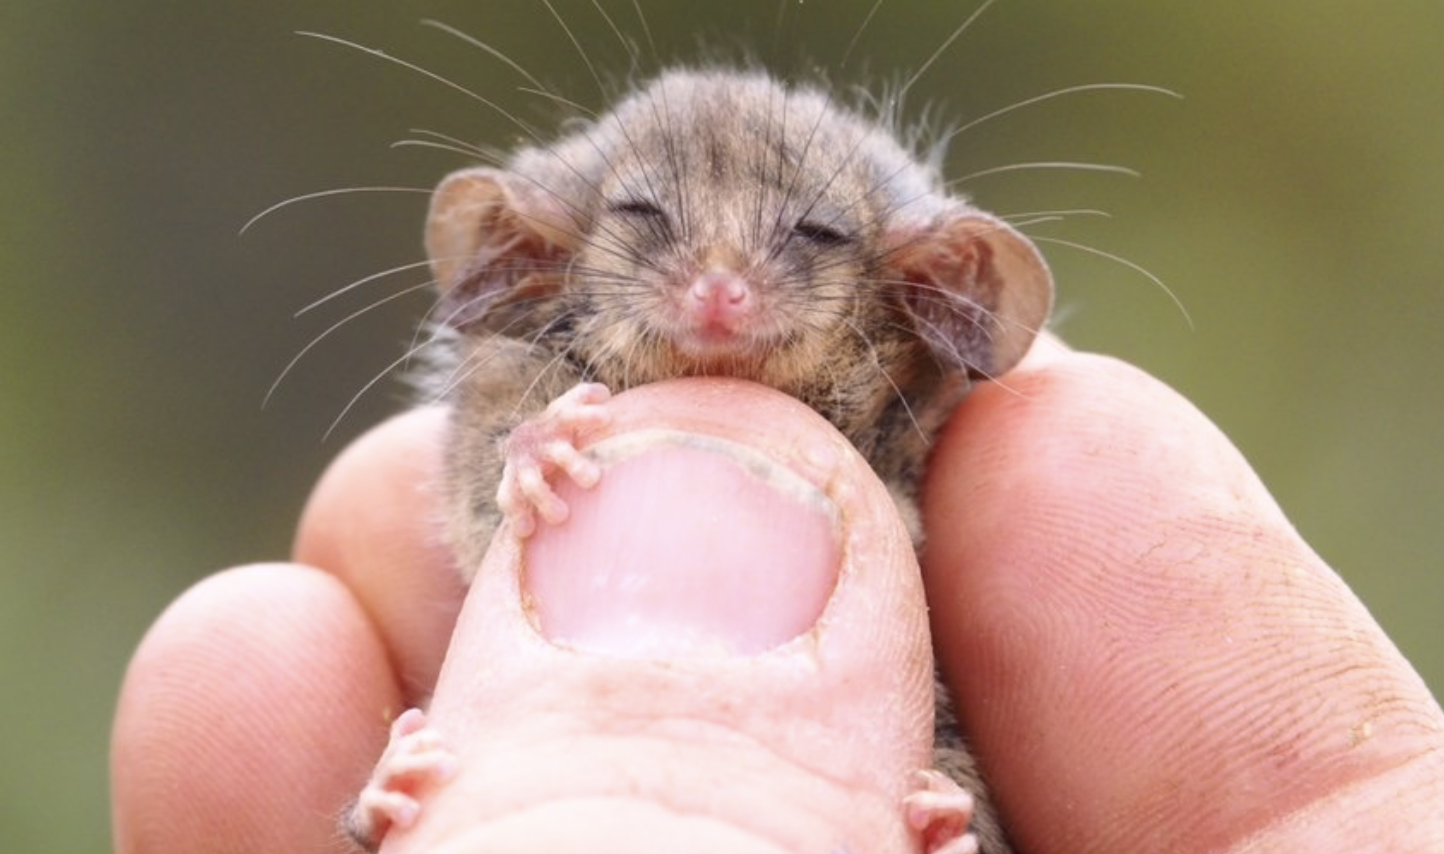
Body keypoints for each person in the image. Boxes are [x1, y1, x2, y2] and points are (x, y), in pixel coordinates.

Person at [110, 338, 1444, 853]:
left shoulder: (934, 472)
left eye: (798, 239)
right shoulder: (520, 409)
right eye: (651, 228)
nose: (720, 298)